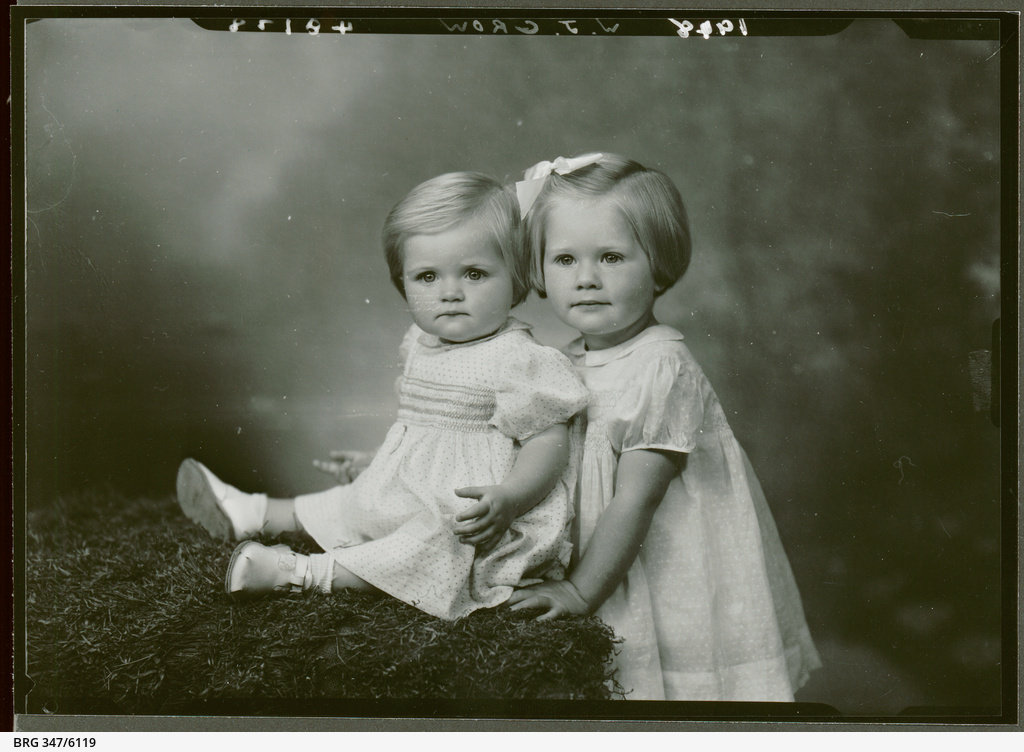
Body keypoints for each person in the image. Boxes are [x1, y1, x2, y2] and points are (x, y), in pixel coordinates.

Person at [177, 172, 588, 621]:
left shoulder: (520, 359)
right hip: (412, 488)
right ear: (402, 282)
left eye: (474, 273)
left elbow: (548, 443)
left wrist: (509, 498)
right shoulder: (420, 342)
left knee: (435, 542)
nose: (450, 293)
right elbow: (425, 435)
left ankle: (303, 572)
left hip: (472, 510)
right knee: (354, 500)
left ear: (517, 278)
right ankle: (253, 512)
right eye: (427, 276)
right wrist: (377, 459)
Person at [507, 153, 821, 701]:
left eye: (611, 257)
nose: (585, 279)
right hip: (597, 552)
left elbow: (634, 502)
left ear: (659, 265)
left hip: (647, 558)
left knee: (658, 682)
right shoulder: (561, 359)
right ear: (537, 270)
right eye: (563, 260)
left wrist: (581, 592)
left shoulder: (659, 366)